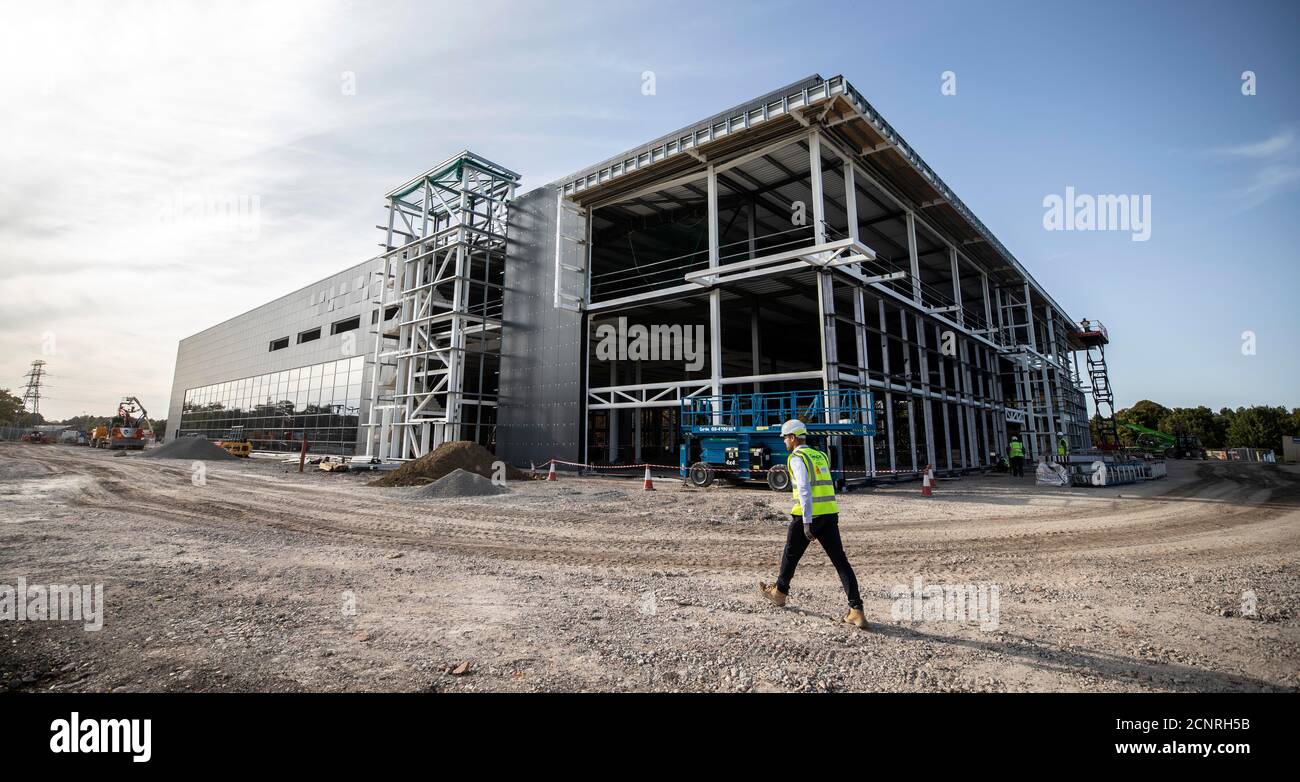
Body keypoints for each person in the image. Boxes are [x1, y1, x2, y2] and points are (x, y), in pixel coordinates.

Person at [757, 419, 867, 629]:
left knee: (790, 554)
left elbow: (805, 490)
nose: (784, 442)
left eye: (785, 438)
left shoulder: (796, 458)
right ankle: (856, 610)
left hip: (808, 515)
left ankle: (779, 593)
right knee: (840, 562)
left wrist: (807, 522)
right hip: (829, 514)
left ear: (793, 437)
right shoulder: (820, 455)